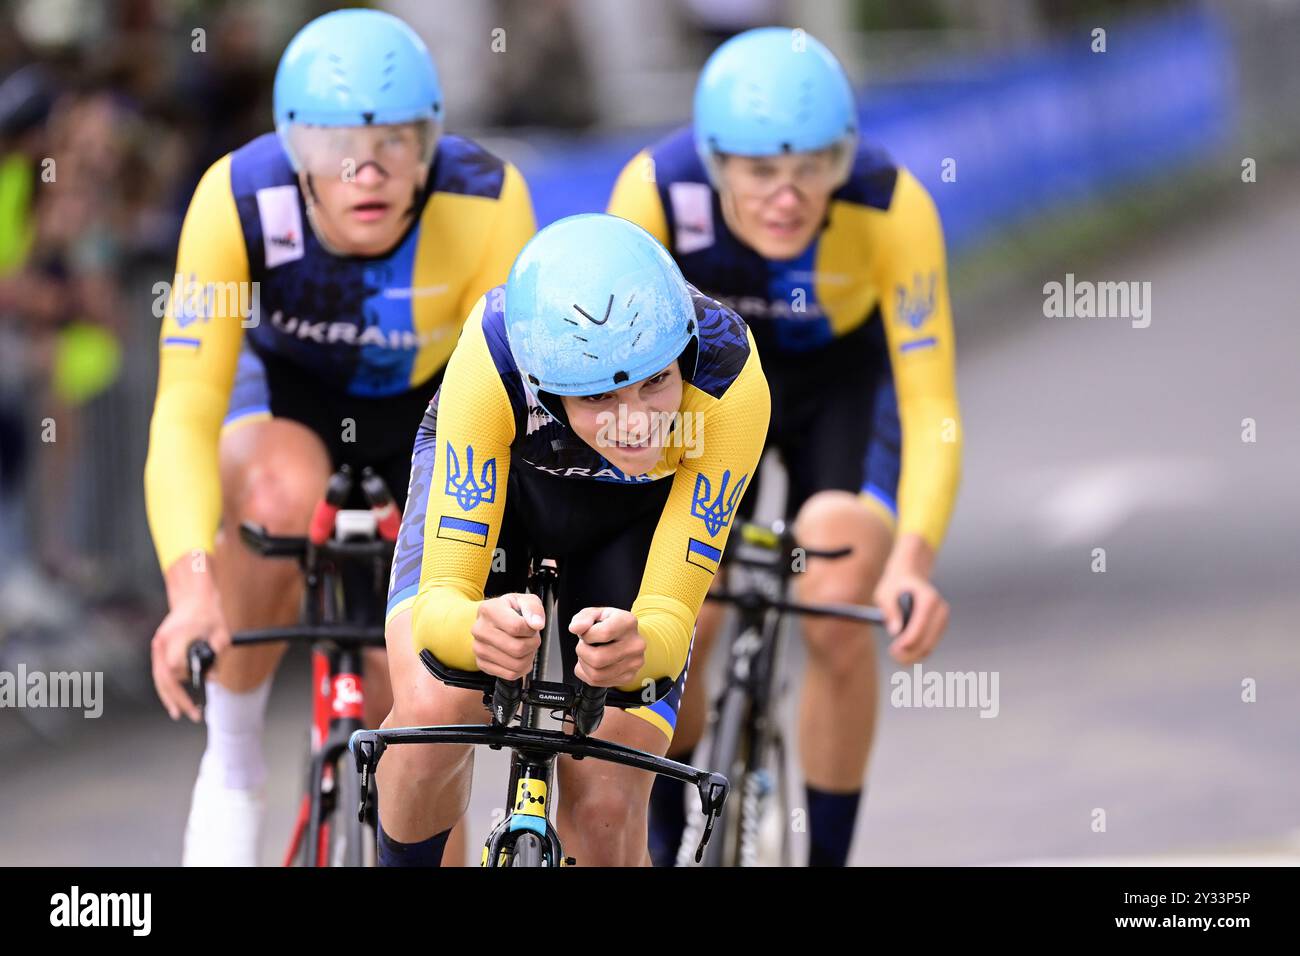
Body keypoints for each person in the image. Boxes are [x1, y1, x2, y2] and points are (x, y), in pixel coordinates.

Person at [144, 9, 535, 866]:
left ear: (432, 143)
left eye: (399, 141)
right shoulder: (236, 196)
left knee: (425, 705)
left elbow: (506, 414)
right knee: (279, 490)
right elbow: (185, 408)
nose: (369, 170)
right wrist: (190, 587)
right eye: (335, 148)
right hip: (284, 400)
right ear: (294, 152)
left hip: (431, 411)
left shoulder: (487, 201)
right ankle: (235, 754)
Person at [607, 27, 963, 866]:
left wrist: (911, 562)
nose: (789, 196)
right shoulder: (656, 190)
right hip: (707, 393)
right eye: (761, 172)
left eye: (813, 169)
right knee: (680, 616)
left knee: (839, 601)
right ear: (716, 162)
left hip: (836, 390)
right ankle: (662, 838)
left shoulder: (890, 201)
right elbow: (619, 386)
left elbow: (931, 403)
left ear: (844, 157)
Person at [376, 213, 769, 866]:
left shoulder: (730, 381)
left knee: (608, 800)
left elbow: (670, 620)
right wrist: (470, 627)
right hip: (510, 501)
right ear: (545, 388)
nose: (637, 424)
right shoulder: (495, 356)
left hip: (636, 518)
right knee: (428, 718)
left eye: (656, 383)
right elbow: (443, 598)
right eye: (601, 397)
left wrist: (641, 649)